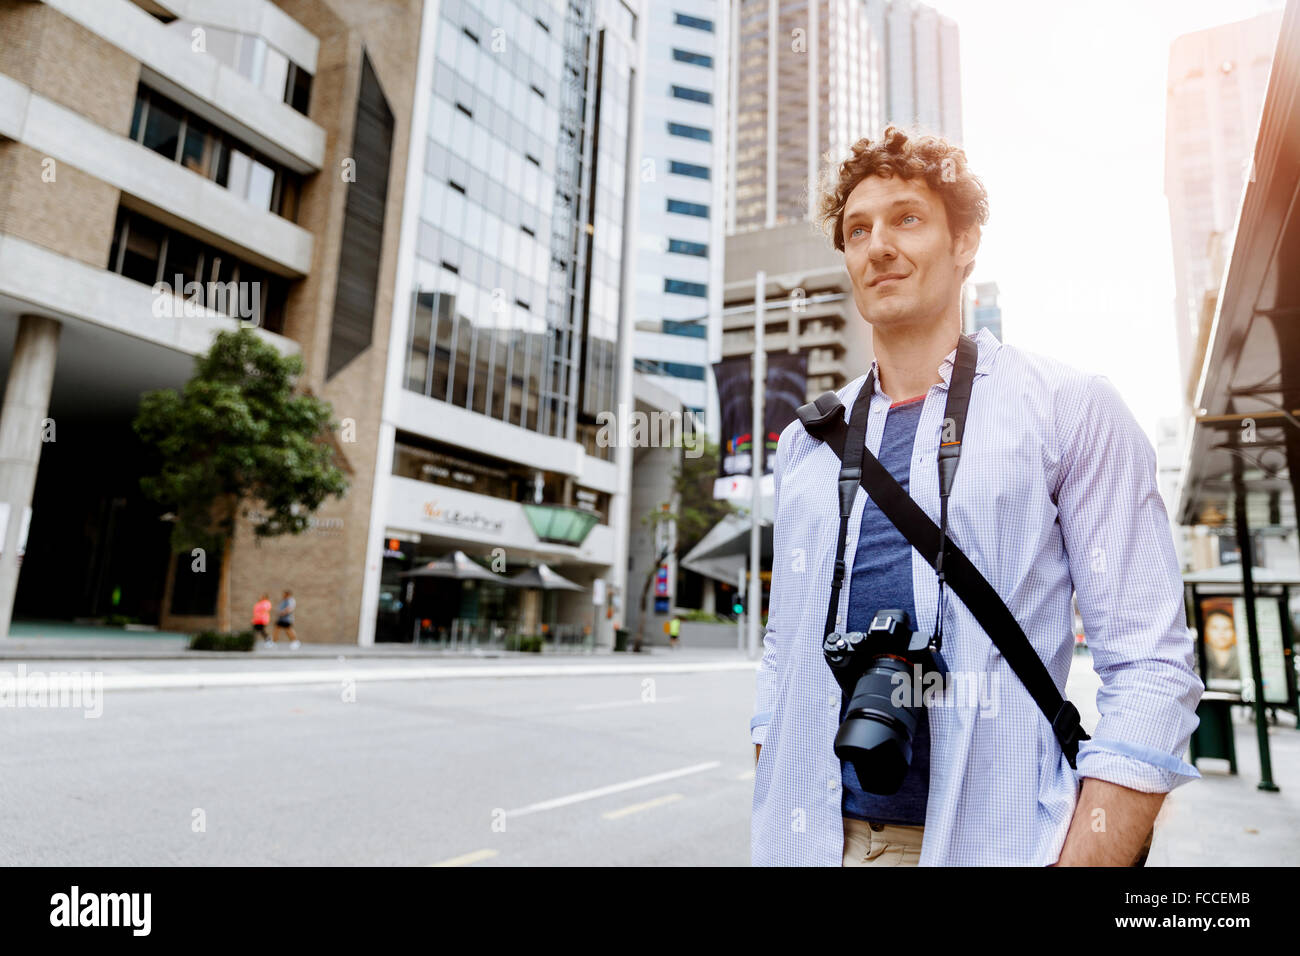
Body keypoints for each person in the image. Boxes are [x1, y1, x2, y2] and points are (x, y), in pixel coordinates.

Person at [750, 126, 1203, 867]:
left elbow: (1153, 668)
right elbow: (783, 651)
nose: (878, 246)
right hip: (806, 842)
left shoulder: (1069, 409)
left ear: (966, 244)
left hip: (999, 844)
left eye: (907, 219)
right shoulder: (805, 443)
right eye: (857, 229)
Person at [1202, 608, 1241, 685]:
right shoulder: (1197, 652)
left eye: (1227, 628)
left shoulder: (1241, 652)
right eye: (1215, 628)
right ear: (1205, 630)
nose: (1221, 633)